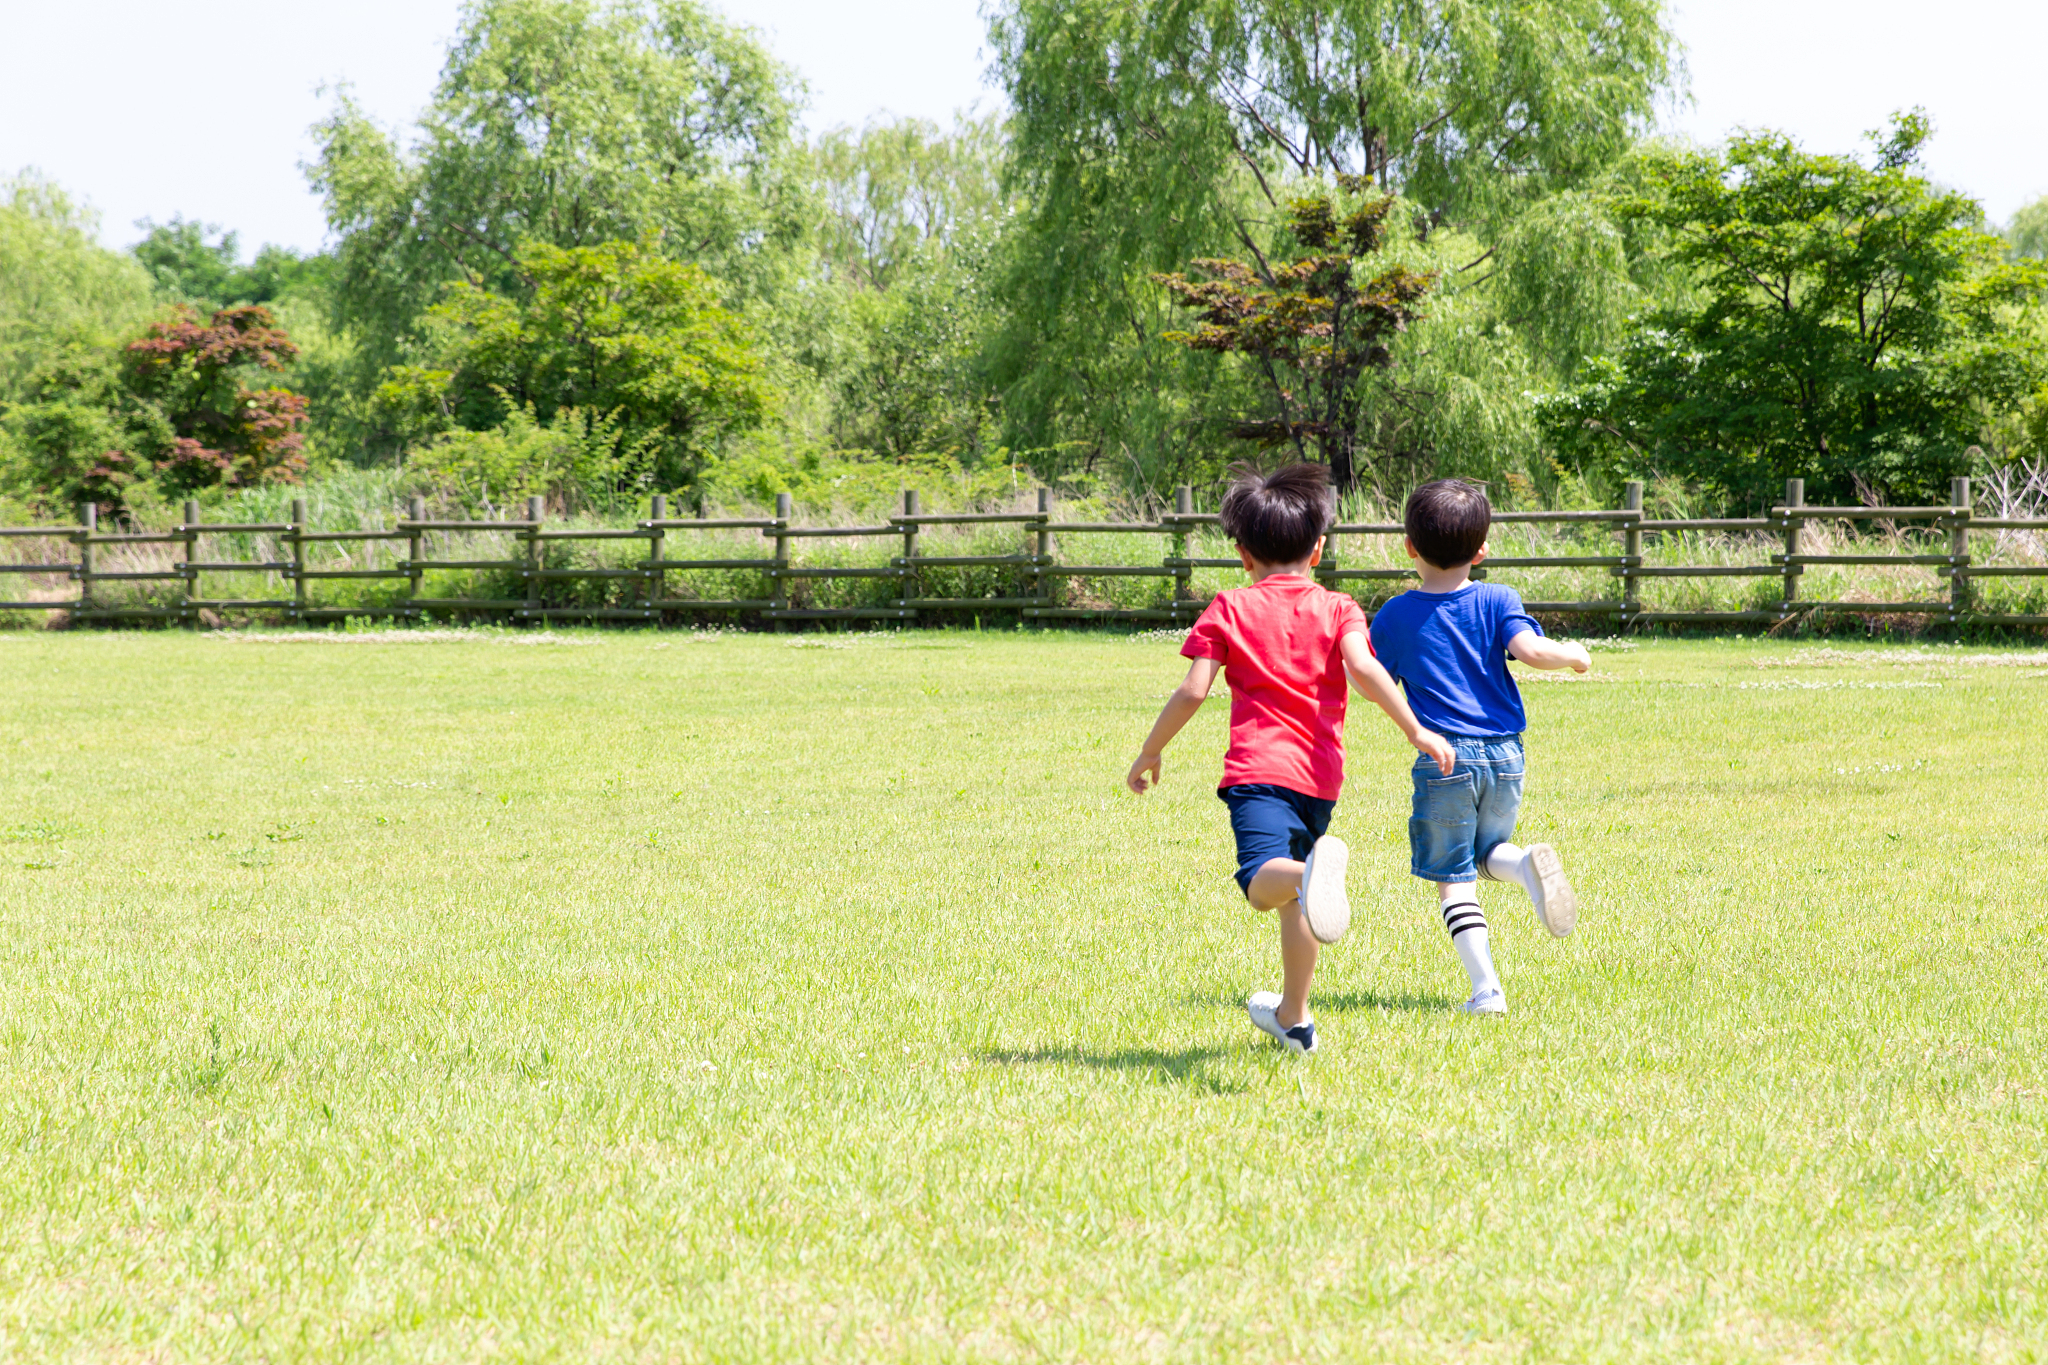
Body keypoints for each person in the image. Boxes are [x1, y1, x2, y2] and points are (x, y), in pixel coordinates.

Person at [1125, 463, 1455, 1055]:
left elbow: (1194, 690)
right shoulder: (1339, 608)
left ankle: (1308, 875)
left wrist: (1151, 750)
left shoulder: (1228, 607)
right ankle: (1294, 1018)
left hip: (1258, 774)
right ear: (1319, 549)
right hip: (1320, 779)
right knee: (1302, 904)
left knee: (1261, 885)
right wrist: (1416, 731)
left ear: (1242, 554)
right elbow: (1366, 670)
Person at [1367, 478, 1591, 1016]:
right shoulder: (1499, 598)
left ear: (1409, 547)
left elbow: (1366, 672)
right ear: (1482, 550)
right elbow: (1531, 651)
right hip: (1507, 755)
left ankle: (1486, 989)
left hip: (1445, 758)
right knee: (1488, 853)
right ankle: (1523, 868)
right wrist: (1573, 654)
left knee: (1454, 877)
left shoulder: (1396, 615)